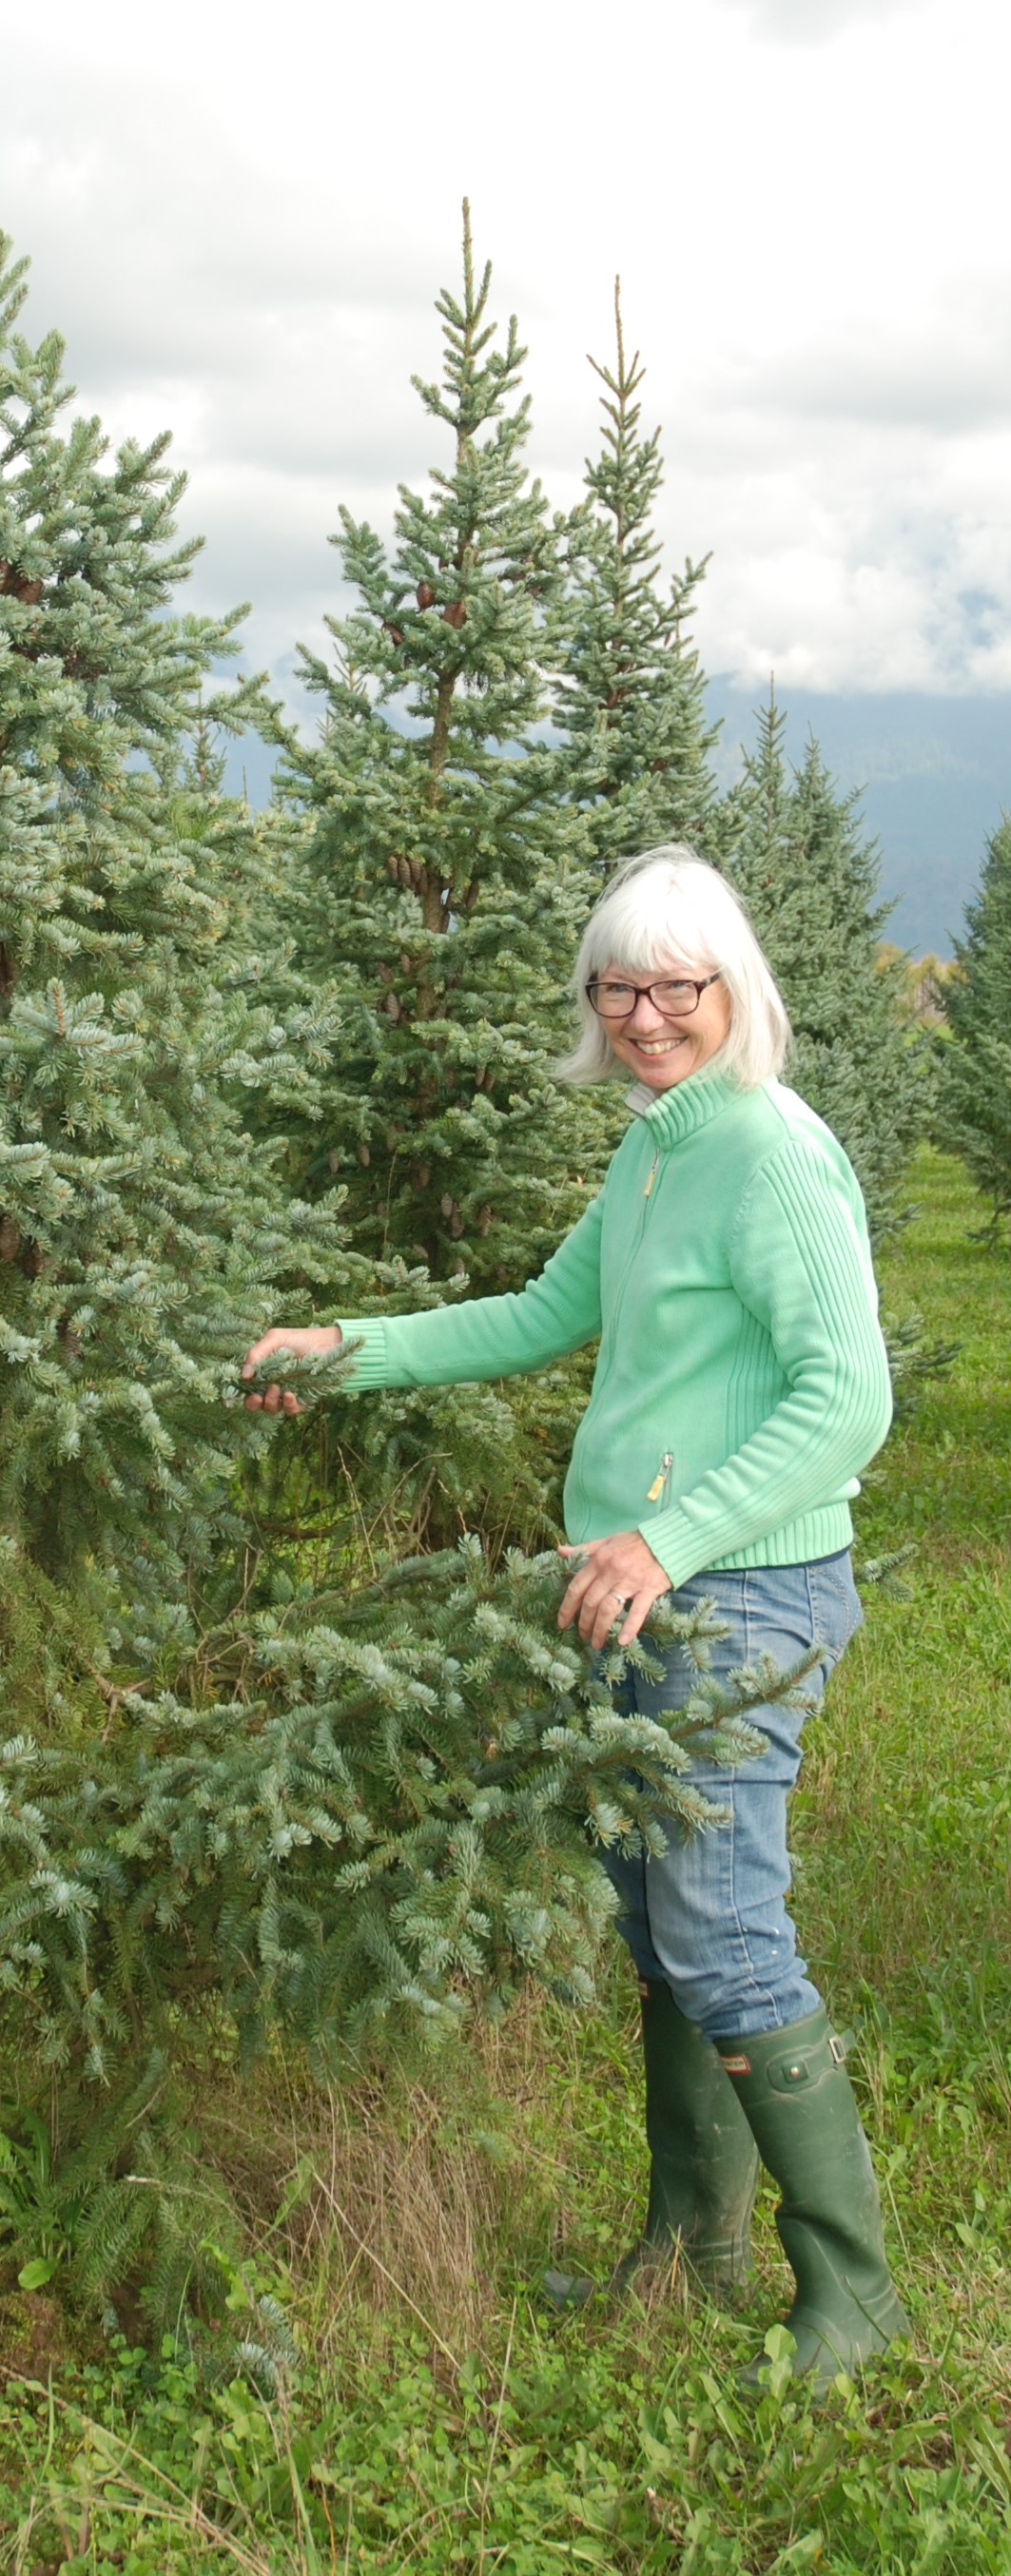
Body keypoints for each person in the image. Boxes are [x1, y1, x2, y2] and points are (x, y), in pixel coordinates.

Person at [243, 844, 904, 2385]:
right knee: (666, 1933)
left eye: (677, 987)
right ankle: (692, 2247)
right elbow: (544, 1317)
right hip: (640, 1589)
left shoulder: (772, 1152)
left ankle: (855, 2299)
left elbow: (847, 1400)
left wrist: (667, 1540)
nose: (646, 1017)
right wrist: (348, 1345)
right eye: (619, 988)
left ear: (734, 991)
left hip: (737, 1589)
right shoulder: (658, 1151)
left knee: (725, 1931)